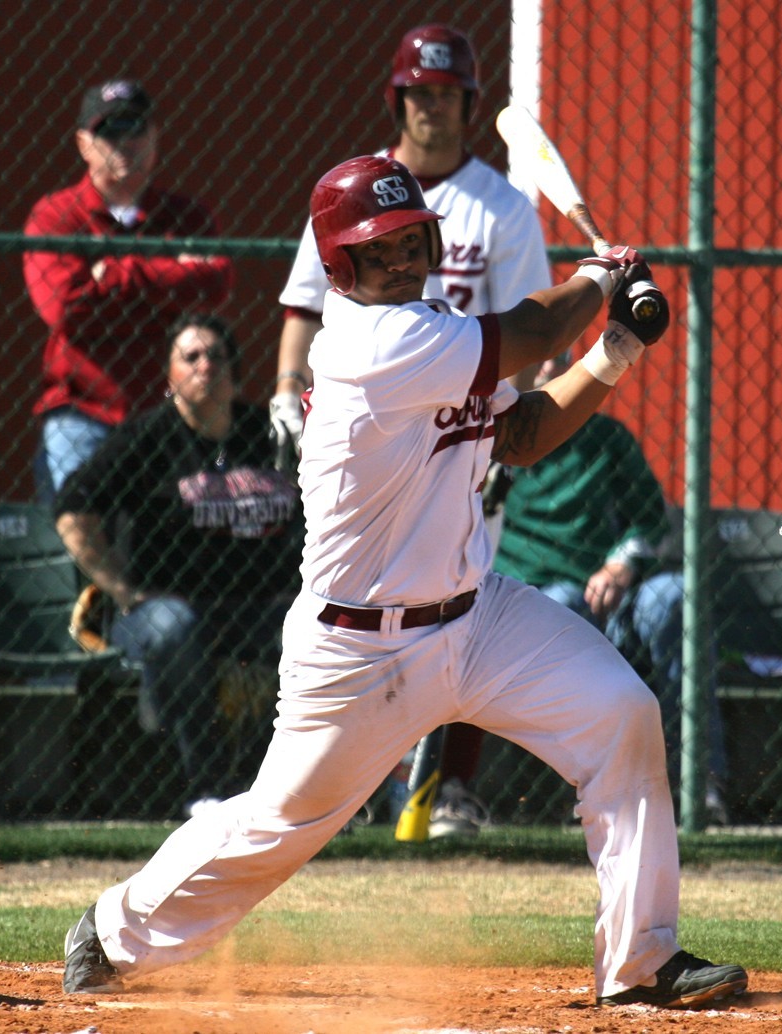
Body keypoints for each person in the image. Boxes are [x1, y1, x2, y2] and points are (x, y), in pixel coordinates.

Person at [62, 155, 749, 1009]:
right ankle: (114, 931)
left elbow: (525, 432)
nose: (399, 261)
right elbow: (533, 335)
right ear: (340, 267)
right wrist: (602, 276)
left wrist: (615, 348)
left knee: (622, 714)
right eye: (375, 250)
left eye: (408, 241)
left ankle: (643, 961)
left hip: (476, 617)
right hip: (358, 651)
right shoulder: (369, 343)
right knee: (277, 827)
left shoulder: (436, 331)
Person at [269, 24, 553, 835]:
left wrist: (501, 430)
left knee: (457, 598)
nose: (435, 108)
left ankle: (446, 789)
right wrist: (289, 391)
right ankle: (359, 780)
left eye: (450, 95)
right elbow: (303, 305)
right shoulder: (356, 193)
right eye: (421, 94)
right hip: (375, 429)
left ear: (469, 102)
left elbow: (527, 331)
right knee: (365, 601)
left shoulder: (500, 207)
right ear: (400, 99)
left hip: (463, 424)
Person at [53, 314, 302, 808]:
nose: (205, 365)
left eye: (216, 355)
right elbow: (71, 507)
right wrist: (118, 589)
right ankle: (205, 787)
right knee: (174, 628)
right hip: (164, 605)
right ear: (170, 375)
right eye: (191, 357)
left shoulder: (267, 434)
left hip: (259, 604)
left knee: (315, 629)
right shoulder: (148, 439)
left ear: (234, 371)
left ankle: (286, 789)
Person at [492, 352, 729, 824]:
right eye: (539, 359)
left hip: (611, 592)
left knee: (673, 599)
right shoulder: (497, 436)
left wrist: (621, 564)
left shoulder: (606, 438)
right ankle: (582, 791)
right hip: (532, 593)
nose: (548, 367)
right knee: (563, 606)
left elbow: (650, 520)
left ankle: (701, 784)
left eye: (560, 357)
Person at [25, 79, 236, 502]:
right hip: (84, 414)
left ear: (155, 137)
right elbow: (65, 309)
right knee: (77, 543)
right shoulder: (56, 216)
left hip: (169, 416)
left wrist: (116, 276)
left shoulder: (186, 215)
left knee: (170, 550)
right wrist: (169, 278)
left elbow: (215, 286)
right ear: (83, 143)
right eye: (109, 132)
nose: (124, 143)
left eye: (135, 129)